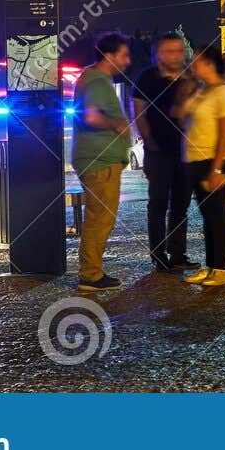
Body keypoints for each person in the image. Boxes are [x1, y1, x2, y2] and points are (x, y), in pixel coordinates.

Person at [73, 32, 135, 292]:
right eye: (124, 55)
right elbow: (90, 116)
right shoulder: (97, 81)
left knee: (98, 218)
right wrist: (117, 124)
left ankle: (91, 272)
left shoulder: (94, 79)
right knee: (100, 219)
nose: (128, 61)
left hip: (99, 159)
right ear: (109, 56)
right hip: (100, 161)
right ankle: (91, 275)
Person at [133, 33, 196, 272]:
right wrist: (149, 141)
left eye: (179, 50)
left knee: (182, 203)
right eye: (170, 51)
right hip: (157, 150)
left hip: (186, 150)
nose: (176, 55)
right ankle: (158, 254)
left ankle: (178, 252)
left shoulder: (190, 77)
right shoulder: (147, 77)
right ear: (158, 53)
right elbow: (137, 110)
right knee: (158, 203)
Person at [179, 45, 225, 288]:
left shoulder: (223, 93)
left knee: (218, 216)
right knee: (208, 217)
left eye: (197, 61)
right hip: (196, 160)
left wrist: (217, 170)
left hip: (215, 160)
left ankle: (221, 270)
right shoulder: (202, 91)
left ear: (209, 64)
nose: (192, 65)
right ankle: (212, 266)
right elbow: (181, 115)